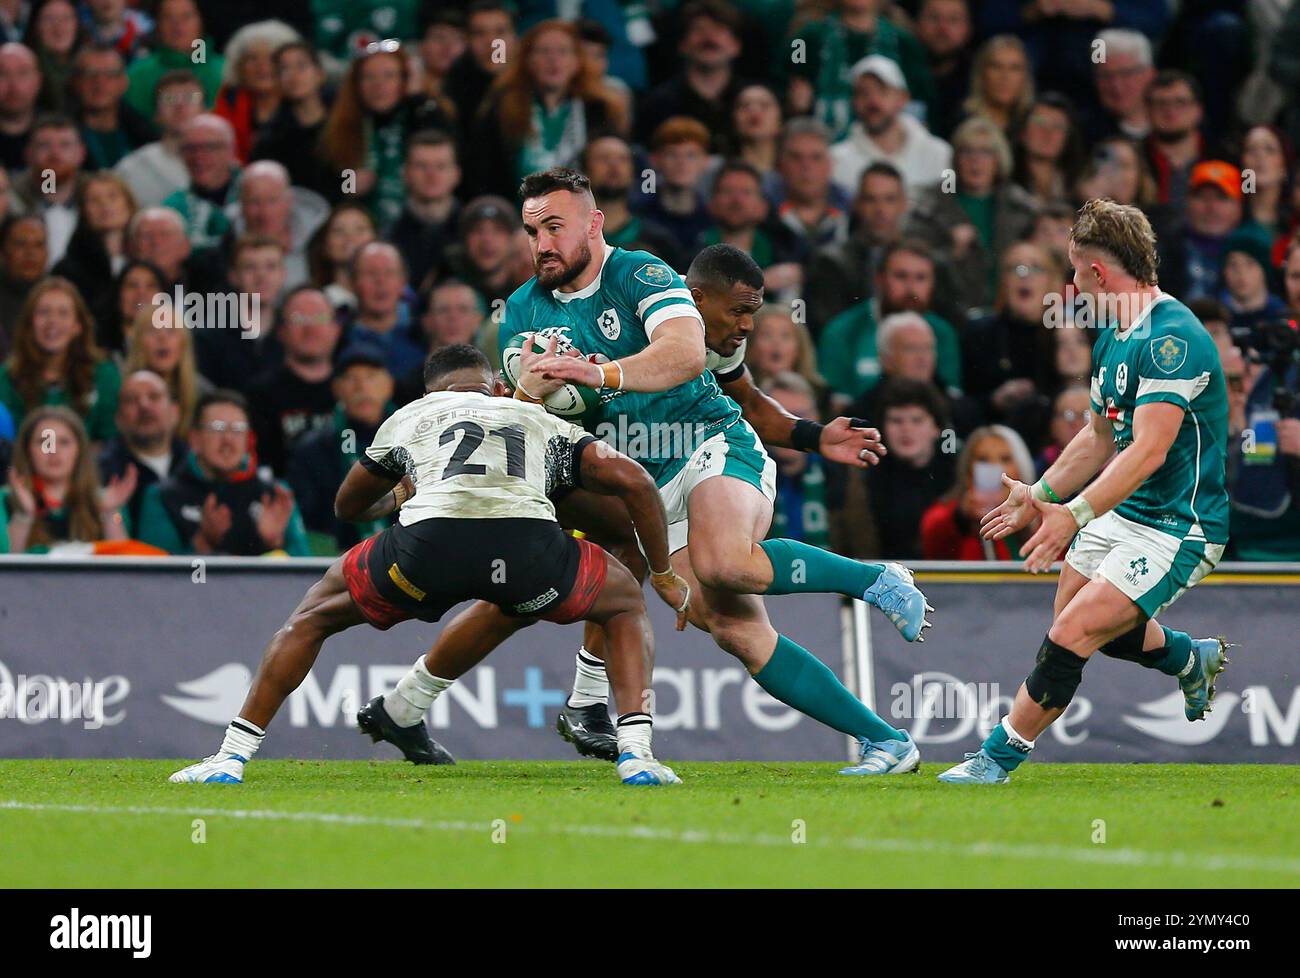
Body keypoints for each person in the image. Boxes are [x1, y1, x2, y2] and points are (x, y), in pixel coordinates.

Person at [485, 188, 932, 776]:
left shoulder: (643, 277)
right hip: (650, 491)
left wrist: (596, 373)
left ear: (593, 223)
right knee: (735, 629)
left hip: (710, 446)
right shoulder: (523, 308)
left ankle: (876, 577)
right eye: (532, 231)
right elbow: (529, 398)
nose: (543, 243)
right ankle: (886, 741)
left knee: (724, 562)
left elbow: (688, 356)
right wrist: (527, 394)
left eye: (555, 227)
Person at [169, 343, 689, 787]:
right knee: (622, 604)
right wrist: (662, 571)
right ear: (493, 386)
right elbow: (637, 484)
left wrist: (401, 493)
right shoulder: (532, 415)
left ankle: (230, 757)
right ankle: (637, 755)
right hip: (527, 550)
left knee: (312, 618)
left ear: (431, 391)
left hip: (423, 553)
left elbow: (347, 508)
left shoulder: (411, 417)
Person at [940, 198, 1231, 784]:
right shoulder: (1112, 338)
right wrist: (1040, 492)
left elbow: (1148, 451)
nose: (1071, 283)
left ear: (1097, 272)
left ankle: (995, 758)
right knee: (1089, 625)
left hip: (1180, 525)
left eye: (1074, 270)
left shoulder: (1173, 340)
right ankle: (1186, 656)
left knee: (1071, 632)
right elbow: (1098, 438)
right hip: (1124, 513)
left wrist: (1074, 514)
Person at [135, 388, 309, 556]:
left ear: (248, 439)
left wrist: (275, 544)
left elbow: (306, 572)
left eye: (237, 429)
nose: (228, 439)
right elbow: (155, 576)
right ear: (195, 439)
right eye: (217, 428)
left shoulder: (275, 495)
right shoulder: (162, 496)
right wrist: (202, 543)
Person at [285, 340, 395, 552]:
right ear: (336, 389)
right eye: (350, 378)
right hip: (337, 563)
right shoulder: (312, 452)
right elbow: (309, 525)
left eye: (371, 377)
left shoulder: (418, 442)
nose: (361, 387)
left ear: (388, 385)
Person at [0, 276, 119, 441]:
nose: (52, 321)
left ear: (78, 325)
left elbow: (111, 441)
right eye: (44, 312)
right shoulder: (5, 378)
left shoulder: (105, 376)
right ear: (29, 324)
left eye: (63, 313)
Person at [1, 404, 131, 553]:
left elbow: (124, 563)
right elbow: (6, 566)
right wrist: (23, 516)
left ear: (80, 450)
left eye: (64, 442)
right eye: (44, 442)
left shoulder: (107, 499)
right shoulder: (5, 498)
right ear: (27, 450)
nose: (53, 451)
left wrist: (110, 514)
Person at [246, 286, 341, 474]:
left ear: (336, 328)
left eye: (319, 318)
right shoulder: (259, 396)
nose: (310, 328)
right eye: (299, 319)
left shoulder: (357, 389)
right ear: (281, 331)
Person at [830, 54, 951, 194]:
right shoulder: (836, 161)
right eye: (863, 93)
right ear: (853, 101)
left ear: (903, 98)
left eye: (882, 91)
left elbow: (951, 207)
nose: (873, 101)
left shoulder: (940, 155)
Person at [920, 423, 1036, 560]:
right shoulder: (952, 514)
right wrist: (961, 517)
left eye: (1005, 459)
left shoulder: (1042, 514)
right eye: (983, 460)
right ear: (969, 468)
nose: (994, 467)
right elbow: (932, 534)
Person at [97, 369, 187, 529]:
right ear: (118, 419)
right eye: (131, 400)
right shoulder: (101, 471)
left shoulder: (197, 465)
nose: (144, 405)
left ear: (175, 412)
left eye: (154, 397)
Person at [113, 70, 204, 208]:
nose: (180, 106)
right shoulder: (132, 168)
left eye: (190, 98)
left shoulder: (224, 165)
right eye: (169, 98)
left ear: (204, 110)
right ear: (156, 114)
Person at [123, 0, 223, 118]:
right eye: (168, 17)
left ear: (201, 21)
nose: (177, 25)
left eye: (186, 16)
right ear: (157, 23)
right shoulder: (136, 75)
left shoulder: (225, 72)